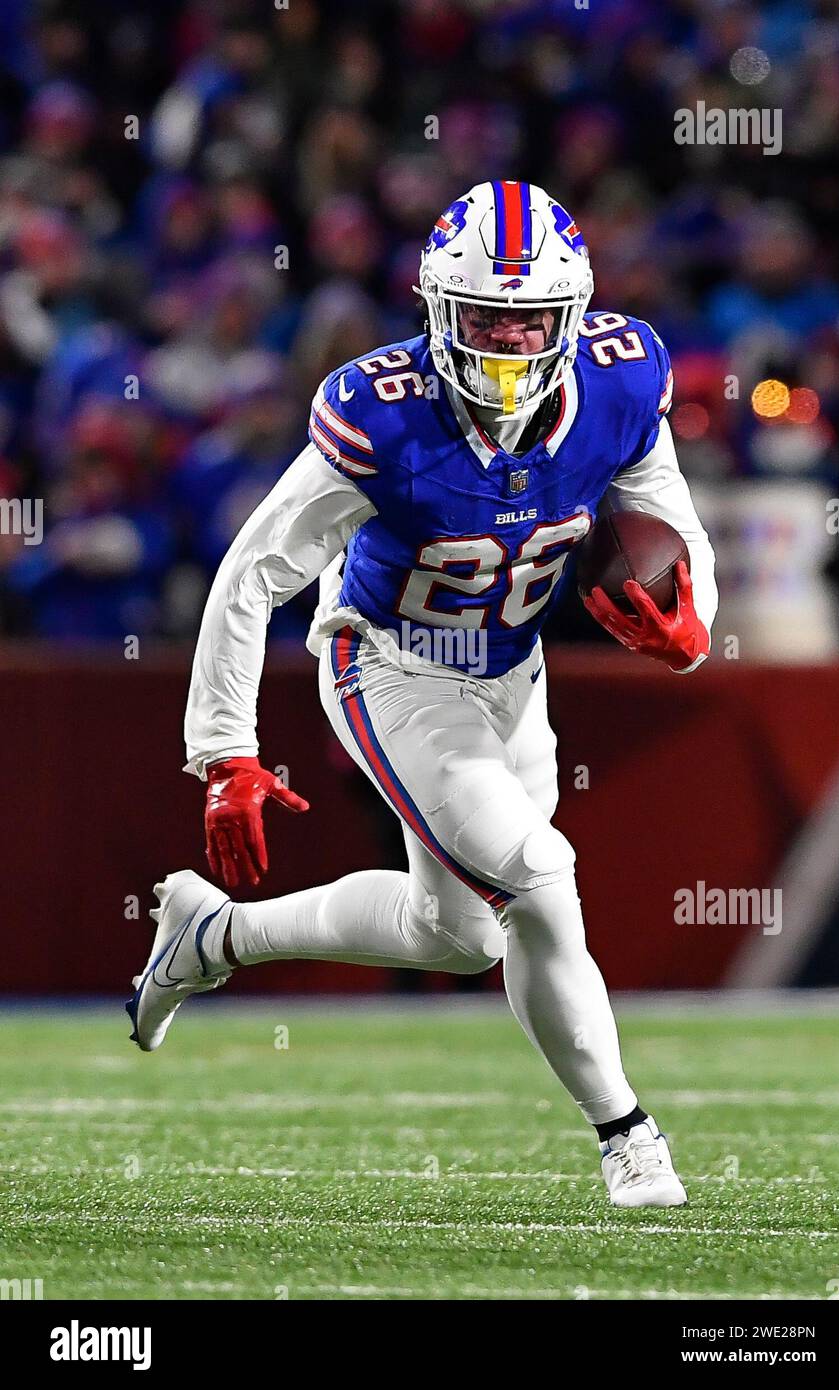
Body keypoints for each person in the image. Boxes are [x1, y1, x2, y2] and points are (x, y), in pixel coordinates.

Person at [127, 182, 717, 1208]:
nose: (502, 340)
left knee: (460, 936)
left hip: (512, 676)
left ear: (570, 316)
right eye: (480, 317)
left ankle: (209, 936)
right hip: (387, 662)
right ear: (436, 312)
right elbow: (253, 570)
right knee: (540, 873)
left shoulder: (622, 386)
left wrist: (691, 619)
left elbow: (665, 516)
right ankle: (628, 1136)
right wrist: (223, 752)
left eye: (526, 318)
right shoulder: (383, 414)